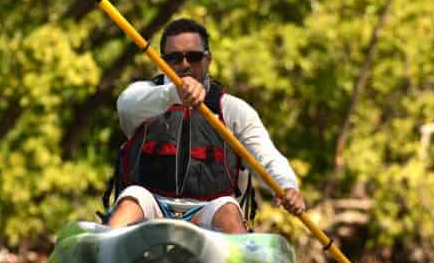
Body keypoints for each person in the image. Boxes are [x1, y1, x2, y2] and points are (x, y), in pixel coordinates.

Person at [105, 18, 306, 234]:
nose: (184, 65)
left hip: (209, 209)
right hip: (150, 203)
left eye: (193, 57)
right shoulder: (142, 97)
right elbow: (126, 105)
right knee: (130, 199)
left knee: (228, 208)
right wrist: (175, 93)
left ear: (208, 59)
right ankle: (104, 253)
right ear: (161, 61)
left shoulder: (233, 110)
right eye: (174, 58)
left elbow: (267, 157)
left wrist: (287, 186)